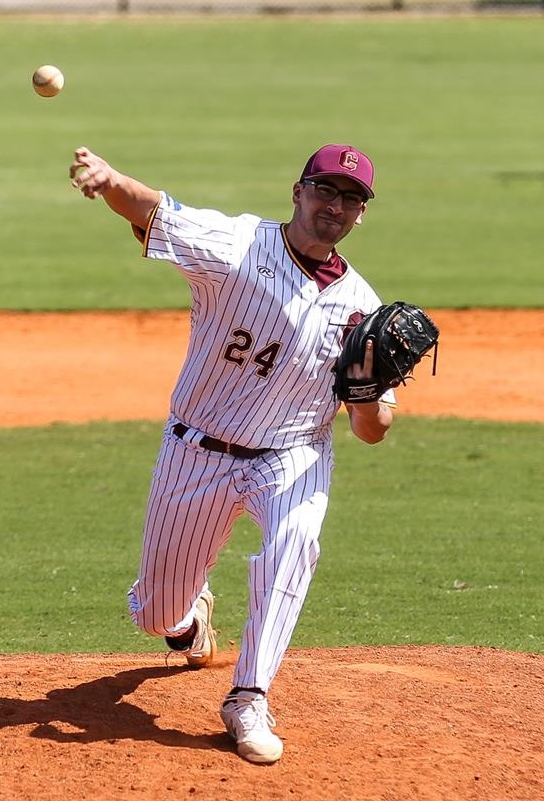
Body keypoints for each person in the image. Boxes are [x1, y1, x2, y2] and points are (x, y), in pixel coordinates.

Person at [65, 142, 397, 766]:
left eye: (351, 199)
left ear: (361, 215)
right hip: (197, 452)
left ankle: (249, 696)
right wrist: (109, 180)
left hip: (292, 456)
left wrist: (367, 393)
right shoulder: (237, 245)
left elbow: (371, 430)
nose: (336, 205)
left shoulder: (364, 309)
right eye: (325, 190)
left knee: (296, 541)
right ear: (298, 192)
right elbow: (155, 210)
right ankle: (188, 624)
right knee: (155, 611)